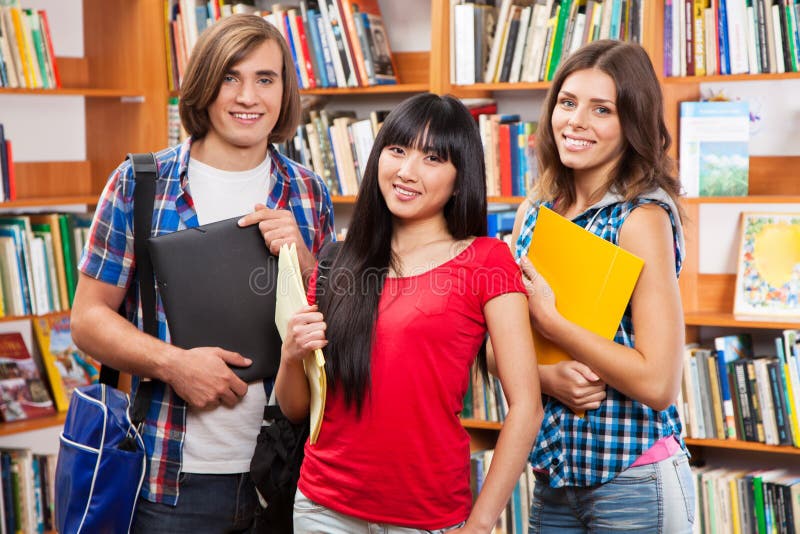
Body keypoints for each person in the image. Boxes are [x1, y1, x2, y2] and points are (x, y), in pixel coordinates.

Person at [70, 14, 334, 533]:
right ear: (204, 85)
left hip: (286, 474)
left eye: (265, 79)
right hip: (171, 482)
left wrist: (307, 262)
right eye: (230, 77)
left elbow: (337, 325)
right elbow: (87, 319)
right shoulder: (140, 183)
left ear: (284, 92)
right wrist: (175, 366)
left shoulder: (308, 191)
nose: (247, 96)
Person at [276, 93, 543, 533]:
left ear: (460, 179)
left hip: (429, 517)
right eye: (397, 150)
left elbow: (526, 407)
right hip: (323, 510)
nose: (406, 171)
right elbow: (299, 408)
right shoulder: (335, 264)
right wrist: (290, 355)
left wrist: (479, 523)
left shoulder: (486, 260)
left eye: (432, 158)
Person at [510, 40, 694, 532]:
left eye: (602, 110)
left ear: (632, 122)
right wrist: (548, 379)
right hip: (554, 479)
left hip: (632, 482)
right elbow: (495, 347)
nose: (576, 121)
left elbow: (658, 384)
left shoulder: (641, 218)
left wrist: (553, 323)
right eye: (567, 103)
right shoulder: (534, 214)